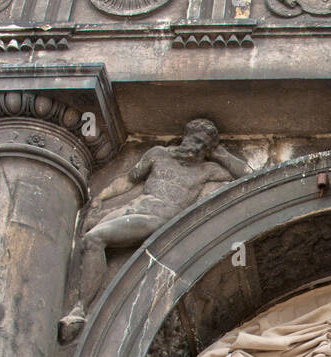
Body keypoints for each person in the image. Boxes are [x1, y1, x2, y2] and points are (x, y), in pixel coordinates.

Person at [59, 118, 250, 342]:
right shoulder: (158, 154)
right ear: (185, 137)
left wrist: (221, 154)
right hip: (133, 208)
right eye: (196, 141)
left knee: (95, 237)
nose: (198, 149)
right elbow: (129, 180)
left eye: (205, 147)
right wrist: (101, 198)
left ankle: (80, 310)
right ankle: (80, 306)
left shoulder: (207, 170)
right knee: (89, 237)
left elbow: (249, 175)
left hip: (157, 218)